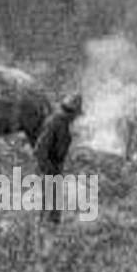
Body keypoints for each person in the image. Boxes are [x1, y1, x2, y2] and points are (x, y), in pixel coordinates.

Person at [34, 92, 82, 224]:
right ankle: (44, 231)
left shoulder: (63, 123)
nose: (75, 119)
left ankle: (51, 230)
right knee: (49, 204)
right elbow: (39, 149)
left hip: (54, 168)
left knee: (55, 203)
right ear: (71, 113)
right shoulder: (55, 123)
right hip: (49, 168)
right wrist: (48, 169)